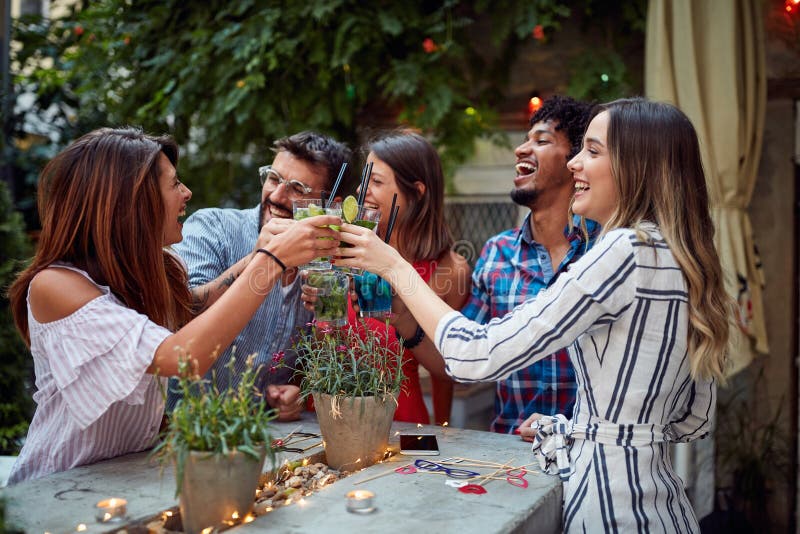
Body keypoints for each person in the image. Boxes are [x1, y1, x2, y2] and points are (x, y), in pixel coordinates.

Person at [338, 98, 732, 532]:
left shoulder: (623, 251)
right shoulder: (680, 255)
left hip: (609, 510)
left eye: (593, 151)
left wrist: (394, 265)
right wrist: (579, 429)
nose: (577, 163)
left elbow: (474, 354)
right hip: (663, 507)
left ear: (636, 166)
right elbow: (690, 419)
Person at [6, 127, 339, 483]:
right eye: (174, 184)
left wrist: (263, 259)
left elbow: (190, 309)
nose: (187, 193)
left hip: (127, 479)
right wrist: (269, 261)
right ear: (131, 200)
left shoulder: (152, 273)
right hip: (57, 487)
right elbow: (185, 357)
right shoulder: (55, 285)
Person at [167, 131, 351, 419]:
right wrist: (261, 258)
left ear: (331, 205)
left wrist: (293, 392)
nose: (277, 196)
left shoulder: (325, 267)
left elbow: (321, 361)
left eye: (298, 188)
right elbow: (181, 313)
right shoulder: (213, 226)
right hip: (191, 433)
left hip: (265, 440)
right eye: (274, 178)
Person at [305, 130, 471, 424]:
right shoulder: (342, 250)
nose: (360, 191)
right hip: (325, 419)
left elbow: (446, 372)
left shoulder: (449, 271)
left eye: (376, 182)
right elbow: (321, 348)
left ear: (417, 191)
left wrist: (445, 434)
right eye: (364, 179)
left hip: (395, 423)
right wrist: (322, 308)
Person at [461, 95, 598, 435]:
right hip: (510, 463)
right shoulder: (496, 252)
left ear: (576, 162)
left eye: (542, 140)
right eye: (526, 139)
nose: (521, 149)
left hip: (588, 458)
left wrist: (565, 428)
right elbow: (465, 358)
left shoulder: (606, 253)